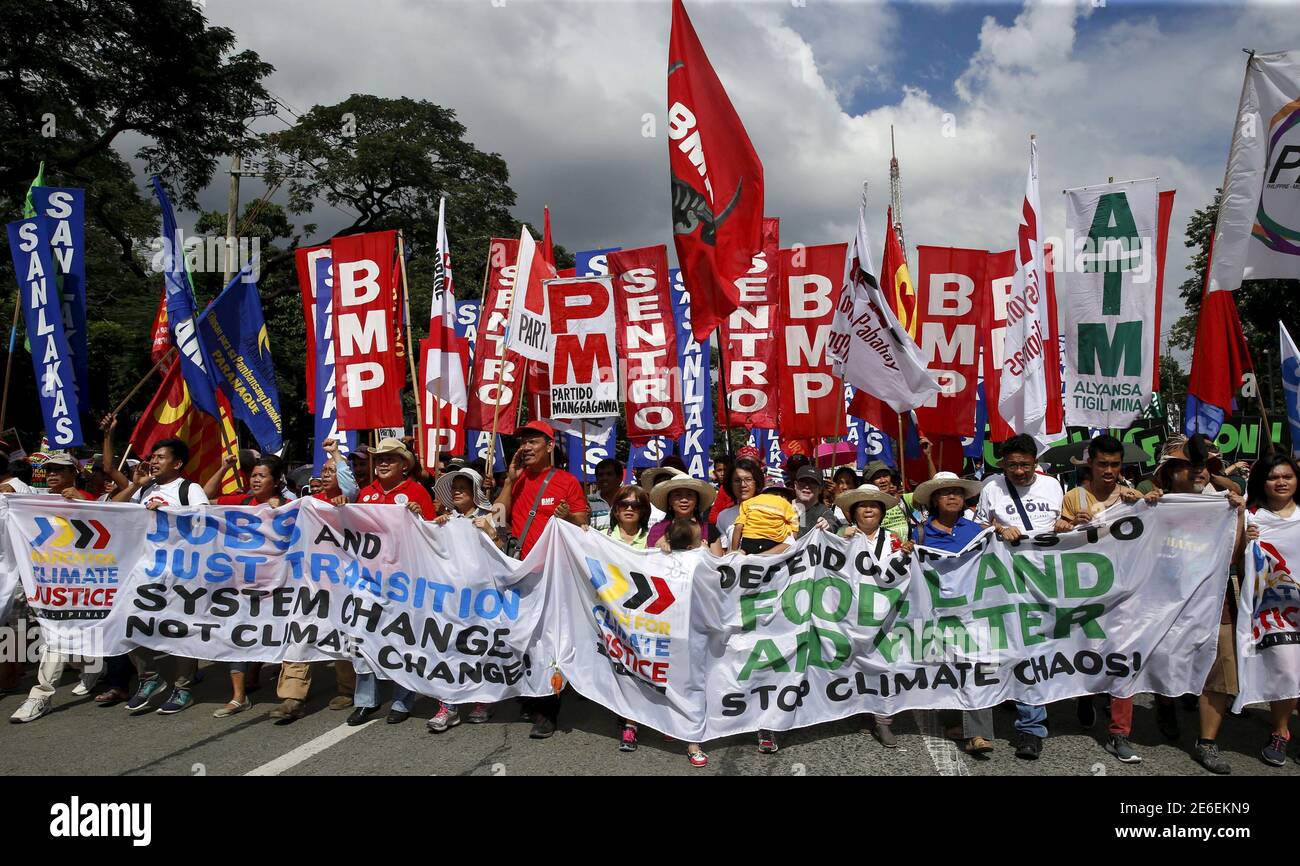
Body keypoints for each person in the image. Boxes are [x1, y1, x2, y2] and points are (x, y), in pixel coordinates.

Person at [1148, 434, 1249, 774]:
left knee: (1219, 671)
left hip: (1214, 601)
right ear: (1168, 472)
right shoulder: (1152, 506)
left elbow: (1233, 559)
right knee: (1161, 661)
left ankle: (1207, 742)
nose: (1198, 472)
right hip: (1165, 602)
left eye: (1203, 466)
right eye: (1188, 466)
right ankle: (1164, 702)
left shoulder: (1224, 504)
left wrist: (1237, 517)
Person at [1059, 434, 1159, 763]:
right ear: (1091, 463)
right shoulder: (1074, 497)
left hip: (1126, 593)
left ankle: (1119, 733)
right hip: (1086, 592)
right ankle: (1086, 695)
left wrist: (1153, 500)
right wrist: (1071, 524)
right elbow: (1057, 531)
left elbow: (1159, 520)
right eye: (1103, 464)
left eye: (1115, 465)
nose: (1109, 470)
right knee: (1089, 650)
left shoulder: (1133, 498)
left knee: (1123, 659)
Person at [493, 420, 589, 738]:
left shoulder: (566, 481)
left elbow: (584, 525)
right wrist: (509, 480)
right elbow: (498, 518)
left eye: (534, 441)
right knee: (522, 637)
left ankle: (548, 711)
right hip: (520, 572)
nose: (527, 446)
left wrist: (568, 518)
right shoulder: (516, 481)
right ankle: (529, 695)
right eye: (524, 441)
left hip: (553, 575)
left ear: (549, 447)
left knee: (548, 642)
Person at [975, 434, 1063, 761]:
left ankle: (1032, 720)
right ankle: (1029, 723)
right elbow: (978, 528)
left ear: (1035, 462)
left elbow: (1060, 524)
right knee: (1016, 649)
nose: (1019, 471)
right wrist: (997, 530)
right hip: (1005, 582)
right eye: (1012, 465)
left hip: (1047, 582)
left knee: (1037, 651)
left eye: (1025, 464)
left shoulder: (1053, 486)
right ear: (1002, 464)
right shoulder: (992, 488)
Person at [8, 452, 105, 724]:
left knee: (63, 635)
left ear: (73, 473)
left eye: (58, 470)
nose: (51, 474)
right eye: (48, 470)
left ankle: (41, 695)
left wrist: (82, 501)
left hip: (84, 581)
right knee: (58, 635)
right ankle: (92, 667)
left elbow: (107, 525)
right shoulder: (34, 502)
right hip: (48, 583)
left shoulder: (86, 499)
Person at [116, 438, 209, 716]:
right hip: (146, 570)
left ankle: (182, 687)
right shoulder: (146, 489)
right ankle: (149, 677)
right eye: (152, 457)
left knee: (181, 629)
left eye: (160, 457)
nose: (153, 462)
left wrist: (168, 512)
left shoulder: (189, 489)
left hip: (181, 571)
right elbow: (115, 510)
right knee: (130, 622)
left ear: (177, 463)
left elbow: (205, 520)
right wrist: (135, 485)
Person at [347, 437, 435, 726]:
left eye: (390, 458)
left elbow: (434, 535)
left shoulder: (417, 492)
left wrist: (420, 518)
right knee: (362, 638)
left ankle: (402, 699)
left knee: (402, 640)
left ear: (404, 465)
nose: (383, 463)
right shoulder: (365, 494)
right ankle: (366, 701)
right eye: (379, 458)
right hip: (369, 580)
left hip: (403, 580)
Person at [271, 439, 359, 723]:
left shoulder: (349, 504)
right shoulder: (307, 505)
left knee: (341, 636)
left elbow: (351, 488)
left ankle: (349, 688)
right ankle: (291, 697)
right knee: (299, 634)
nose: (325, 474)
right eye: (323, 469)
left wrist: (336, 455)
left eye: (331, 470)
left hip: (341, 584)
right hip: (307, 582)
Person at [911, 471, 993, 756]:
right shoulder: (919, 533)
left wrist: (1004, 533)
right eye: (945, 492)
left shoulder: (979, 532)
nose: (953, 497)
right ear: (934, 500)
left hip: (973, 613)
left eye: (958, 492)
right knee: (944, 669)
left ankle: (978, 733)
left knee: (980, 665)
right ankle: (960, 723)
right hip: (936, 614)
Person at [202, 456, 288, 719]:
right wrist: (224, 467)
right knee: (236, 635)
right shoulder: (241, 503)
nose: (256, 479)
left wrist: (281, 510)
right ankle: (239, 696)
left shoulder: (290, 506)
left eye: (262, 476)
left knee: (277, 636)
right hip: (241, 584)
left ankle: (285, 689)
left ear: (276, 482)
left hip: (277, 585)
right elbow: (204, 500)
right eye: (253, 475)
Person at [836, 483, 914, 748]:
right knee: (855, 661)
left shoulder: (893, 539)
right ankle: (860, 709)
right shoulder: (842, 535)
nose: (868, 509)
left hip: (886, 613)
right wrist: (836, 535)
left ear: (881, 512)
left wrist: (908, 554)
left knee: (887, 665)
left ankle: (883, 721)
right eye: (862, 505)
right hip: (851, 612)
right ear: (854, 512)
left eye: (874, 505)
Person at [423, 467, 501, 733]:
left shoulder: (488, 518)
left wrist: (490, 533)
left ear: (474, 493)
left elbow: (501, 555)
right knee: (447, 649)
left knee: (480, 648)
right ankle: (448, 706)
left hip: (481, 598)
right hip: (450, 598)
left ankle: (481, 700)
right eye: (453, 487)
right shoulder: (445, 520)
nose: (456, 491)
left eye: (462, 487)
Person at [1242, 452, 1300, 767]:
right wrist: (1244, 541)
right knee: (1287, 669)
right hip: (1273, 611)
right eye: (1273, 477)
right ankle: (1280, 731)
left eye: (1287, 476)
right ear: (1262, 482)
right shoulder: (1252, 518)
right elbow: (1235, 557)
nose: (1280, 482)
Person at [648, 471, 718, 550]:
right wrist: (659, 548)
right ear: (669, 500)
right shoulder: (657, 530)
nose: (684, 500)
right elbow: (648, 559)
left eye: (689, 495)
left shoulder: (709, 529)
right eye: (677, 495)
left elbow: (718, 561)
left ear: (696, 500)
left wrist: (706, 552)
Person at [731, 479, 798, 555]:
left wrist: (734, 550)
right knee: (790, 545)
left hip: (747, 541)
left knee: (744, 551)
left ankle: (742, 552)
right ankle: (761, 556)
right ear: (782, 495)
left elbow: (738, 526)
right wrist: (794, 536)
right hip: (771, 541)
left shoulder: (748, 502)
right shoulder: (785, 503)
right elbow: (794, 523)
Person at [712, 457, 764, 554]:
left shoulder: (770, 508)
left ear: (756, 482)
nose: (743, 485)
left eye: (748, 479)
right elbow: (723, 552)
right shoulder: (723, 516)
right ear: (730, 484)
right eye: (737, 480)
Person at [601, 484, 651, 549]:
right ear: (616, 509)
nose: (629, 508)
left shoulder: (652, 539)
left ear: (643, 510)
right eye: (624, 504)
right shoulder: (602, 536)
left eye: (635, 505)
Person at [792, 466, 838, 537]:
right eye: (803, 482)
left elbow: (832, 525)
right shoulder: (783, 506)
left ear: (820, 489)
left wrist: (827, 526)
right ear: (795, 485)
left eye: (813, 483)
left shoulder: (824, 512)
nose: (807, 486)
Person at [587, 458, 624, 531]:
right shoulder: (587, 502)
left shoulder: (630, 500)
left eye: (609, 474)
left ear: (620, 478)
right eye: (600, 475)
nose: (604, 478)